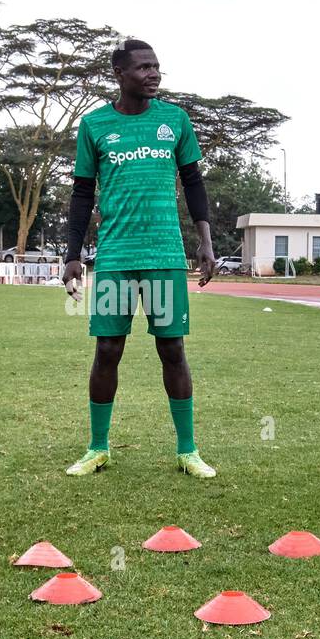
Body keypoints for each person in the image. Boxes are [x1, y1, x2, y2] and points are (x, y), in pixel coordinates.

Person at [61, 38, 217, 479]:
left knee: (172, 348)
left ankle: (188, 451)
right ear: (120, 74)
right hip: (114, 258)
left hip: (165, 255)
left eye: (157, 67)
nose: (153, 74)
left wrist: (204, 243)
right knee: (107, 349)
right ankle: (97, 448)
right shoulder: (94, 125)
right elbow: (81, 192)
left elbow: (193, 183)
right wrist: (73, 254)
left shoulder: (175, 120)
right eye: (144, 68)